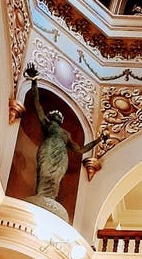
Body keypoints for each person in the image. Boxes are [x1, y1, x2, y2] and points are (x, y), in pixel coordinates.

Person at [24, 63, 106, 207]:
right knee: (45, 171)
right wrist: (34, 81)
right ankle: (42, 196)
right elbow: (37, 105)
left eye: (59, 115)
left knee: (56, 176)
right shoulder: (47, 124)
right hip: (48, 149)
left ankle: (51, 199)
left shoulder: (66, 134)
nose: (57, 115)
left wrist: (99, 140)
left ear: (61, 120)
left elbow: (80, 150)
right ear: (51, 117)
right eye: (55, 114)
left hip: (61, 155)